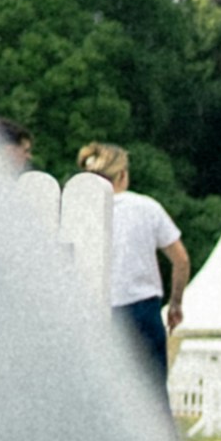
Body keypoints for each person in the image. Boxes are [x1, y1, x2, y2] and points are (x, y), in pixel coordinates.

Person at [77, 143, 187, 384]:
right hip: (142, 308)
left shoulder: (80, 210)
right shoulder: (147, 208)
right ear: (122, 174)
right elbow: (181, 260)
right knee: (152, 395)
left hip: (96, 311)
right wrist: (175, 303)